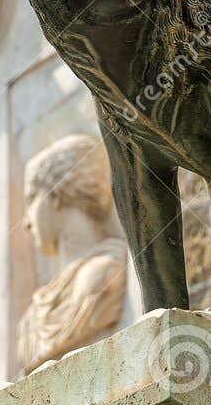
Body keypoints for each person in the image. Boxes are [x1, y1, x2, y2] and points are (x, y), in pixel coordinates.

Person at [17, 135, 129, 374]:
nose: (27, 221)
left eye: (31, 200)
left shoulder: (104, 274)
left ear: (55, 197)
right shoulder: (32, 321)